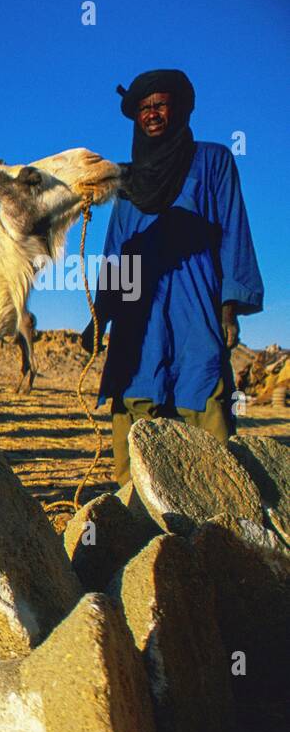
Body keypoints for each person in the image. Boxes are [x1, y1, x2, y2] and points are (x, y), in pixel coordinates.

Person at [83, 69, 263, 485]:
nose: (152, 114)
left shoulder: (214, 160)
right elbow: (118, 250)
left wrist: (229, 307)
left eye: (160, 104)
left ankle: (218, 529)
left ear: (179, 108)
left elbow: (233, 231)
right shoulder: (125, 180)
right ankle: (137, 526)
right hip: (137, 315)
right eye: (144, 108)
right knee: (136, 404)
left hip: (196, 306)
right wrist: (102, 314)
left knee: (205, 406)